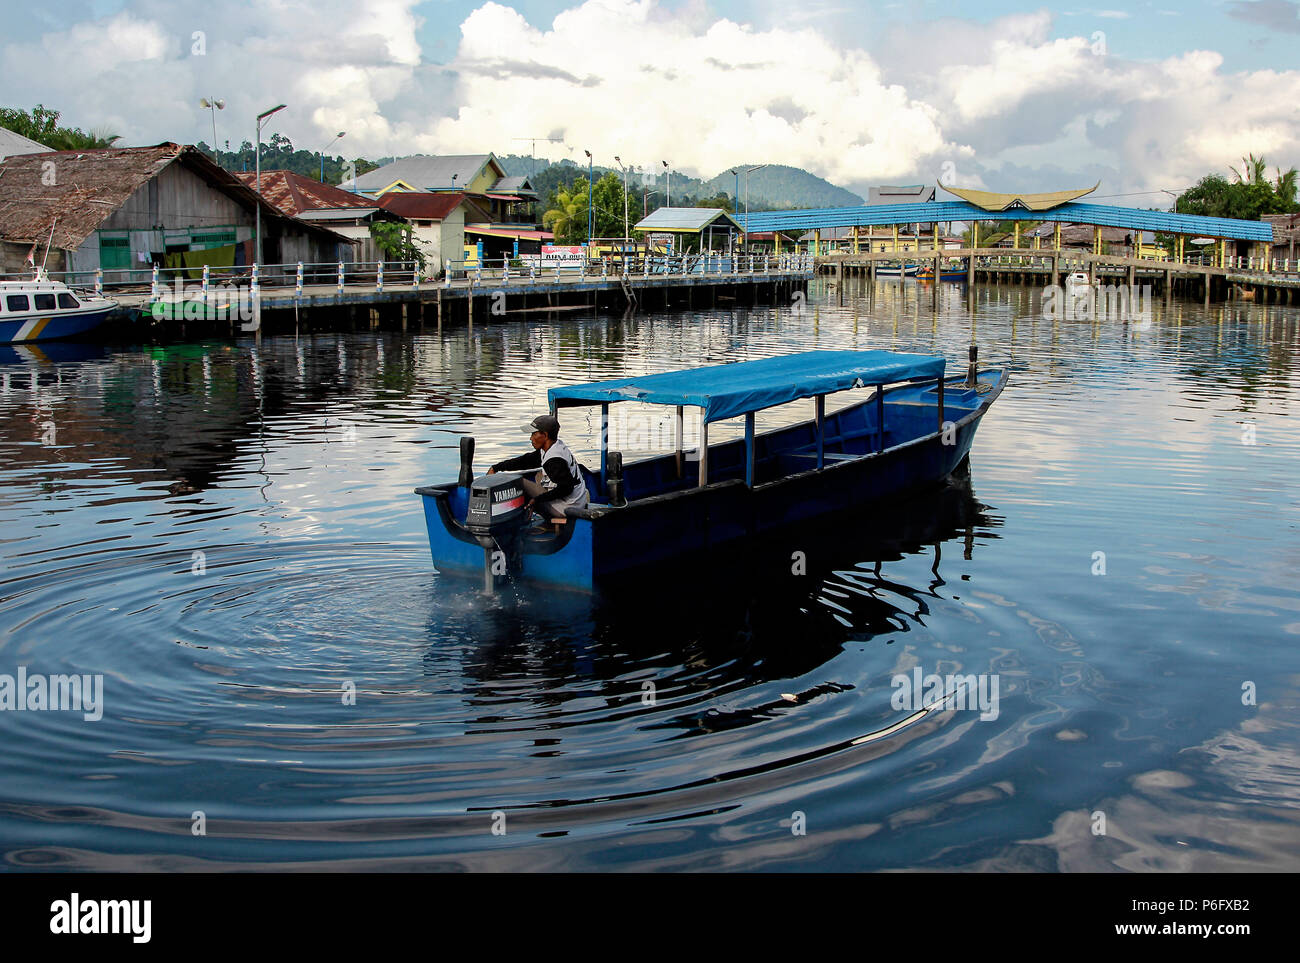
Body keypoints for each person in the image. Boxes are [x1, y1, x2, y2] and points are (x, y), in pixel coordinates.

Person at [488, 414, 589, 525]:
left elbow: (566, 488)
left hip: (568, 507)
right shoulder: (554, 446)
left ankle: (520, 524)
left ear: (545, 435)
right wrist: (497, 467)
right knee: (539, 475)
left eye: (534, 434)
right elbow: (525, 461)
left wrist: (537, 499)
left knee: (519, 483)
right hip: (577, 500)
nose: (531, 438)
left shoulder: (554, 460)